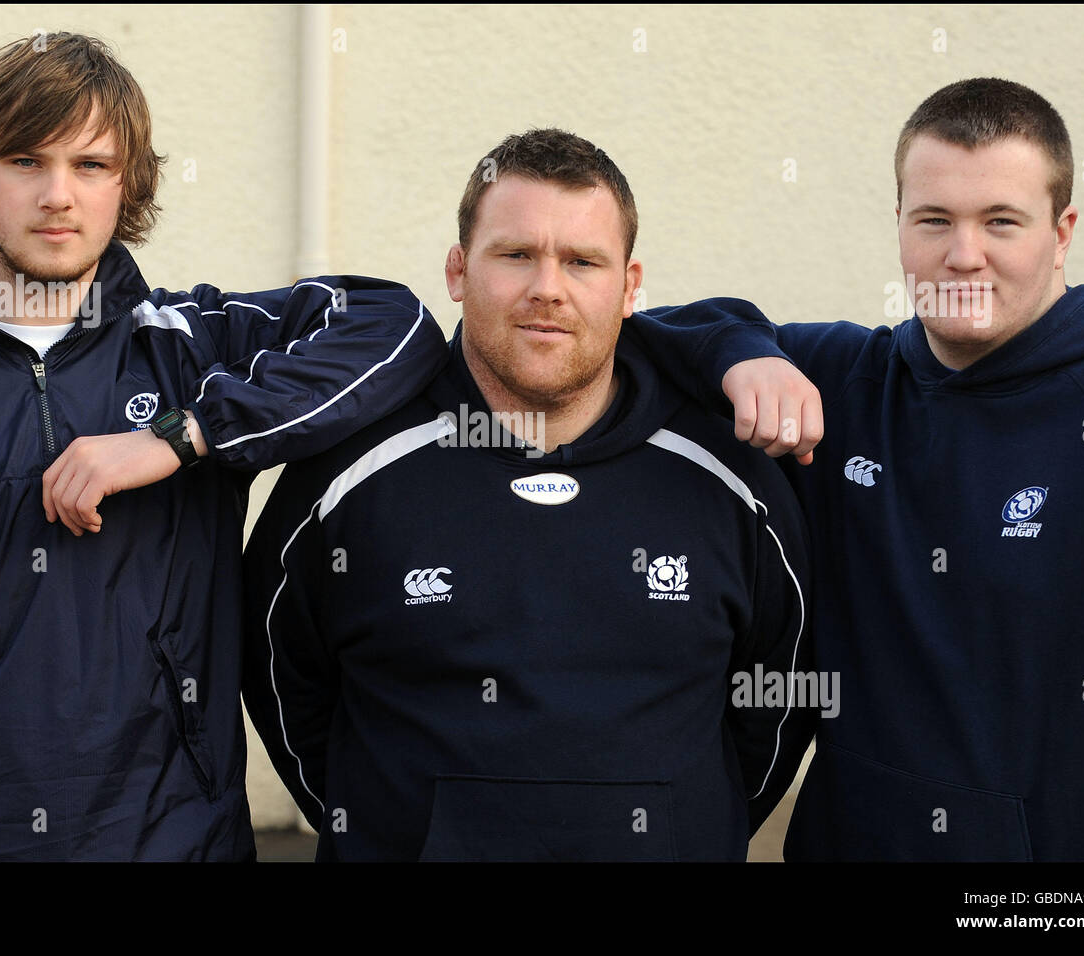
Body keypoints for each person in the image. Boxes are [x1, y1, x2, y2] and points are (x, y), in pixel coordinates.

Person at [0, 32, 447, 861]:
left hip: (174, 844)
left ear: (127, 186)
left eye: (91, 165)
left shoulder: (189, 349)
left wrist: (181, 436)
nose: (59, 195)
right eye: (27, 159)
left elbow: (398, 326)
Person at [241, 128, 815, 861]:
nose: (548, 287)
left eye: (582, 261)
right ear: (457, 270)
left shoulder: (731, 472)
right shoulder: (353, 468)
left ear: (631, 286)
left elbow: (781, 698)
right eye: (515, 255)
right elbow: (281, 680)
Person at [629, 78, 1084, 860]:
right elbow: (642, 335)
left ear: (1062, 232)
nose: (963, 254)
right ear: (898, 222)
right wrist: (745, 357)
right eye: (934, 220)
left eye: (1002, 221)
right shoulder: (847, 379)